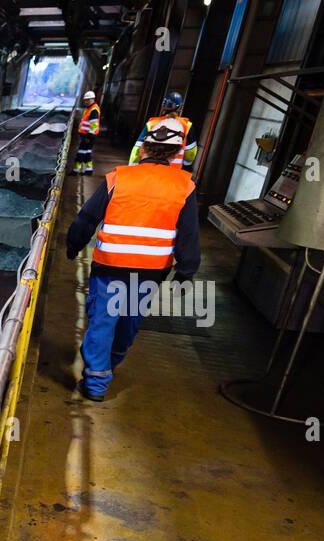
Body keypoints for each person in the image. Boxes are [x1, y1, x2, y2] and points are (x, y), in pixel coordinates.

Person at [66, 117, 201, 401]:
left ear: (144, 148)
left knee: (103, 321)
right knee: (129, 320)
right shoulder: (184, 186)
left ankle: (96, 384)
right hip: (149, 272)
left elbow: (87, 218)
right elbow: (189, 234)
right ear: (177, 153)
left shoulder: (119, 178)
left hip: (110, 267)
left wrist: (73, 245)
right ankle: (110, 364)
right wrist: (186, 272)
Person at [129, 91, 199, 170]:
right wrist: (187, 163)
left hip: (149, 168)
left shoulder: (152, 123)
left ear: (163, 106)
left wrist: (132, 166)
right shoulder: (187, 125)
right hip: (173, 171)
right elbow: (191, 153)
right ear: (180, 107)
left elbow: (137, 148)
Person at [74, 90, 100, 176]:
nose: (85, 102)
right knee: (87, 153)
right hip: (87, 135)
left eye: (87, 100)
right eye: (85, 100)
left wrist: (89, 137)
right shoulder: (89, 109)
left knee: (81, 153)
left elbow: (93, 125)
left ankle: (75, 171)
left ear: (91, 100)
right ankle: (89, 170)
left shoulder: (93, 110)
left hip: (88, 136)